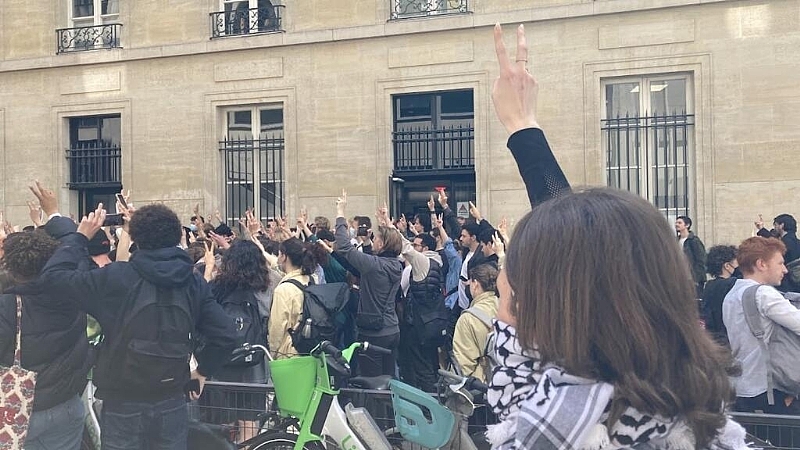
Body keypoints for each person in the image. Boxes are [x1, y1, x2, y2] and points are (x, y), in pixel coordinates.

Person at [484, 24, 746, 449]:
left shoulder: (552, 428)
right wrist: (524, 130)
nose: (500, 321)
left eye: (508, 302)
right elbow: (584, 253)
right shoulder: (682, 416)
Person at [38, 203, 237, 450]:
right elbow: (226, 334)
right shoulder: (192, 281)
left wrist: (78, 237)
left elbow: (53, 280)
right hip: (171, 394)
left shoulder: (117, 277)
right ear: (177, 237)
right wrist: (203, 370)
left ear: (135, 238)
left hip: (123, 396)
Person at [0, 231, 88, 450]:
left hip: (16, 409)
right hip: (67, 404)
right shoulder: (72, 294)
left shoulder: (7, 305)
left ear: (10, 265)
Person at [723, 237, 800, 415]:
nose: (785, 269)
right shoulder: (763, 294)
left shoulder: (732, 294)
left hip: (741, 385)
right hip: (769, 387)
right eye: (780, 263)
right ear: (761, 264)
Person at [334, 191, 403, 377]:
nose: (374, 240)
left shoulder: (375, 265)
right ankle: (391, 406)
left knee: (371, 380)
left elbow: (344, 247)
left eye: (377, 239)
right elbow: (371, 262)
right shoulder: (396, 264)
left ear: (383, 245)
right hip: (392, 328)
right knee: (389, 378)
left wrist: (340, 212)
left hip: (374, 333)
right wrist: (366, 243)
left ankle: (375, 407)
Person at [207, 239, 270, 442]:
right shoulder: (265, 290)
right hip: (254, 365)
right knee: (249, 425)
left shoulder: (218, 288)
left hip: (221, 363)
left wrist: (208, 270)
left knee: (222, 424)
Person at [268, 237, 315, 358]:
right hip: (311, 347)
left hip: (289, 352)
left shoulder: (283, 290)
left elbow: (277, 328)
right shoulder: (312, 279)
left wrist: (272, 354)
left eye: (279, 254)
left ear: (284, 257)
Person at [452, 264, 498, 382]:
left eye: (470, 282)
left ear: (476, 284)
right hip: (502, 383)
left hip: (479, 389)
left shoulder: (467, 319)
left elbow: (463, 365)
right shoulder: (504, 309)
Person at [701, 245, 740, 346]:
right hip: (727, 334)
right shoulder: (732, 283)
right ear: (727, 266)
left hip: (713, 333)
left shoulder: (709, 285)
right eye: (736, 262)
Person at [676, 215, 707, 297]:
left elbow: (701, 260)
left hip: (692, 278)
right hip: (680, 276)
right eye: (676, 222)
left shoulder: (694, 241)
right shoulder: (676, 240)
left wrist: (696, 278)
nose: (677, 224)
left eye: (679, 223)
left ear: (687, 225)